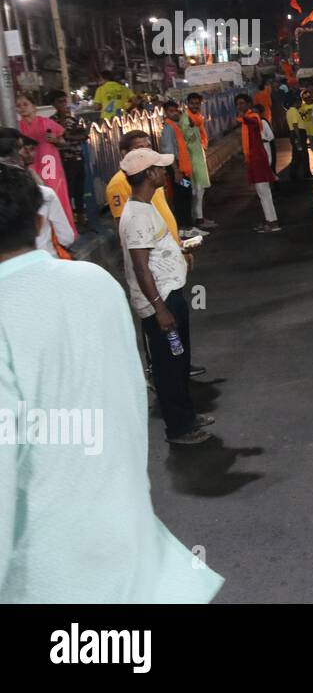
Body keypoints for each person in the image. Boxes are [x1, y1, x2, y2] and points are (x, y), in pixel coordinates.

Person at [0, 162, 224, 600]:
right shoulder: (93, 284)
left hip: (46, 579)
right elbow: (126, 401)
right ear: (41, 222)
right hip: (130, 551)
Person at [117, 147, 213, 445]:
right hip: (161, 304)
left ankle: (187, 416)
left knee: (179, 360)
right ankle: (180, 428)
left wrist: (181, 252)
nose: (164, 171)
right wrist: (160, 309)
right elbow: (140, 267)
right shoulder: (135, 216)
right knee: (169, 365)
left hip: (169, 297)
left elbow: (154, 254)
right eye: (159, 168)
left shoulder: (147, 207)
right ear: (149, 175)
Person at [15, 91, 75, 232]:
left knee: (56, 197)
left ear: (33, 106)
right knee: (35, 199)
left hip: (50, 166)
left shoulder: (46, 122)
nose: (22, 108)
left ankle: (63, 233)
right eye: (18, 106)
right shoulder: (17, 127)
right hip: (30, 167)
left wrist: (55, 140)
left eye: (25, 104)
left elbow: (63, 141)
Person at [106, 130, 181, 244]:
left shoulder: (153, 175)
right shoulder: (118, 183)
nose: (147, 151)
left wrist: (178, 243)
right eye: (140, 148)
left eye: (148, 147)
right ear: (124, 153)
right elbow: (125, 228)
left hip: (170, 246)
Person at [235, 94, 280, 233]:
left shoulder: (253, 117)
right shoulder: (247, 119)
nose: (240, 106)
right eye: (238, 104)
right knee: (263, 193)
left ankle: (272, 223)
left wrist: (243, 115)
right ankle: (270, 221)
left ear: (249, 104)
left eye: (242, 103)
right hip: (254, 159)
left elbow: (252, 122)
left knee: (264, 193)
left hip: (259, 159)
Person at [47, 90, 89, 224]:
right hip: (63, 161)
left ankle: (81, 216)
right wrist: (67, 138)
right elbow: (51, 140)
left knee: (79, 189)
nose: (64, 104)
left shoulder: (72, 119)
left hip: (77, 158)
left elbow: (83, 136)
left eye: (65, 101)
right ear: (53, 104)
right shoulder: (51, 122)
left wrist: (65, 138)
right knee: (68, 191)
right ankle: (70, 218)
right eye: (60, 101)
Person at [158, 100, 198, 237]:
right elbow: (168, 152)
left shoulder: (176, 126)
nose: (174, 113)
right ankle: (184, 227)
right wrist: (176, 171)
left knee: (186, 193)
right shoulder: (168, 129)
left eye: (175, 110)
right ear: (166, 113)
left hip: (181, 168)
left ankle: (187, 225)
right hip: (177, 169)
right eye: (171, 111)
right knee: (181, 195)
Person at [181, 92, 216, 229]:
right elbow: (185, 139)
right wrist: (191, 128)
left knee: (198, 190)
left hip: (197, 157)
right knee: (196, 190)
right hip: (190, 160)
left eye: (197, 103)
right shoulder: (186, 119)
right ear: (187, 104)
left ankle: (198, 218)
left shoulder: (196, 118)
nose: (195, 106)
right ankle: (197, 220)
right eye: (192, 103)